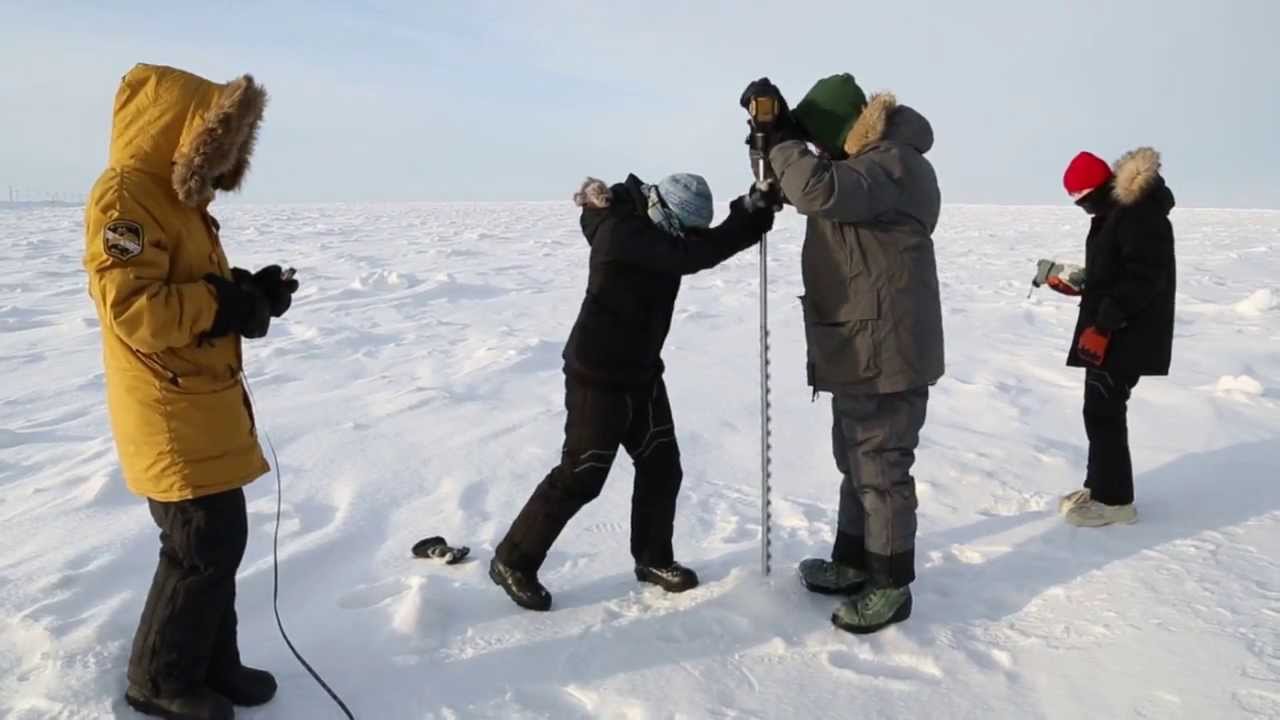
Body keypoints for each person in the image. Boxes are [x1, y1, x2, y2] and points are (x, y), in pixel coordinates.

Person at [83, 64, 298, 720]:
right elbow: (134, 309)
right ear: (179, 128)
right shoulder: (126, 195)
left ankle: (211, 663)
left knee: (217, 541)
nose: (225, 151)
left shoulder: (178, 201)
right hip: (166, 407)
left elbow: (189, 279)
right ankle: (159, 678)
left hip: (199, 402)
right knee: (201, 545)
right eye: (217, 136)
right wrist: (221, 304)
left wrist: (250, 293)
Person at [490, 173, 777, 611]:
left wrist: (749, 210)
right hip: (598, 376)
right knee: (582, 475)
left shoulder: (657, 227)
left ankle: (653, 559)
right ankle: (513, 561)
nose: (688, 236)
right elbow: (693, 254)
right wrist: (749, 217)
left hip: (641, 371)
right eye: (685, 229)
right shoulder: (622, 233)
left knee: (662, 467)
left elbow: (697, 244)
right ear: (666, 213)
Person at [741, 74, 944, 634]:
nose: (815, 150)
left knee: (881, 467)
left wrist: (785, 139)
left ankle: (891, 584)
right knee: (856, 463)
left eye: (817, 138)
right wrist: (767, 141)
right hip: (862, 344)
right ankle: (854, 562)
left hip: (887, 350)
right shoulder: (863, 168)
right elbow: (794, 185)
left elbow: (816, 190)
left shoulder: (893, 163)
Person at [1041, 148, 1176, 527]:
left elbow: (1144, 278)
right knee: (1098, 410)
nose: (1080, 204)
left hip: (1125, 333)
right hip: (1111, 330)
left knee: (1104, 411)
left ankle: (1115, 501)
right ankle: (1099, 487)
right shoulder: (1116, 212)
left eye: (1081, 197)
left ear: (1098, 188)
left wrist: (1104, 324)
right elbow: (1116, 272)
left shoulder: (1137, 214)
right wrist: (1080, 285)